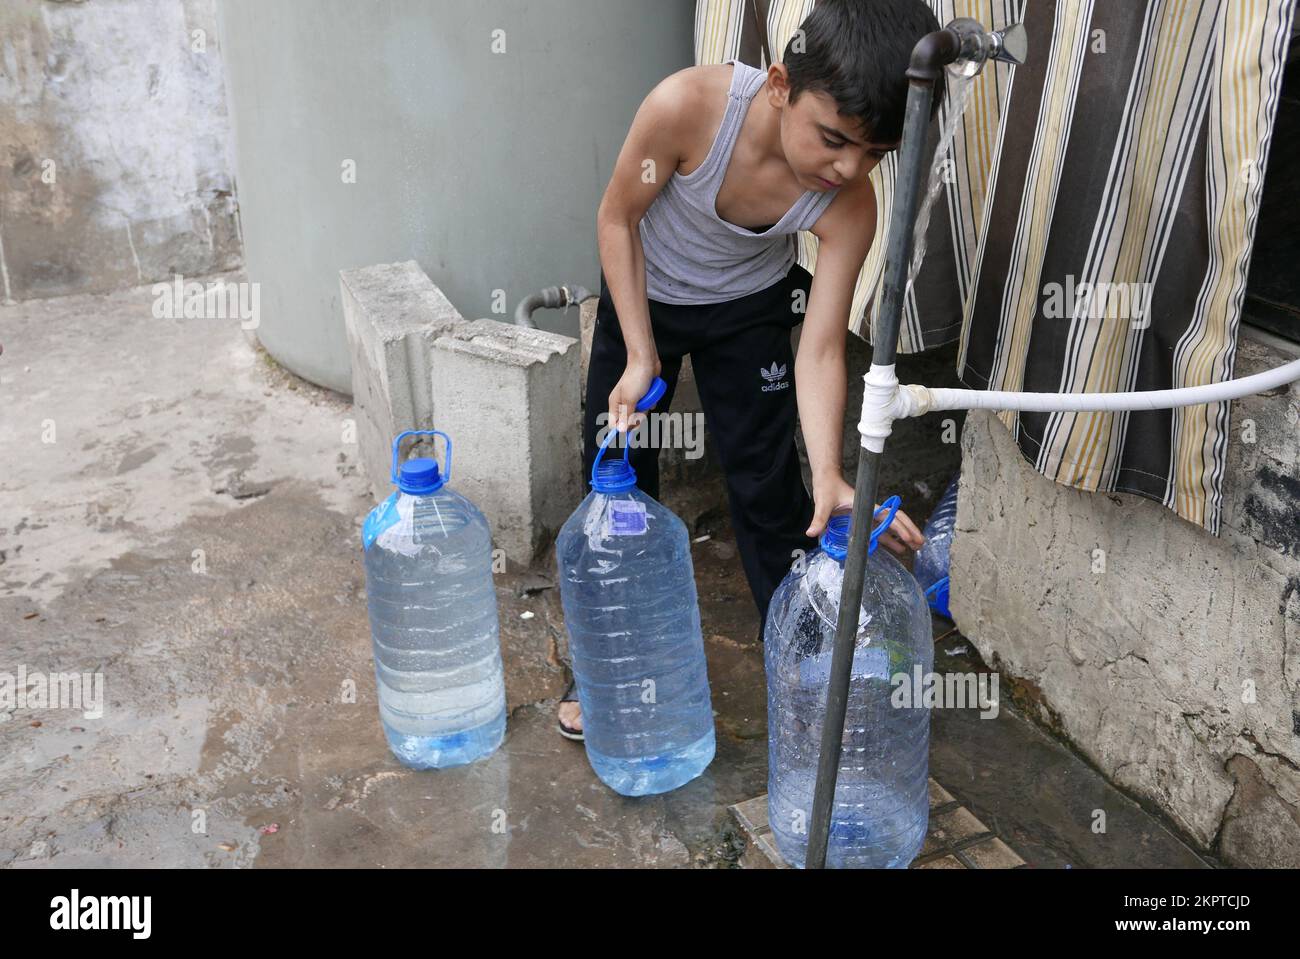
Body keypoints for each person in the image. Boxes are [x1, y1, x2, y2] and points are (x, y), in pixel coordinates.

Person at [559, 0, 941, 740]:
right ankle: (609, 669)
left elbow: (823, 347)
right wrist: (640, 352)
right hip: (647, 295)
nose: (848, 168)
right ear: (778, 86)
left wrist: (831, 472)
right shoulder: (686, 110)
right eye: (834, 139)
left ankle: (804, 663)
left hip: (748, 306)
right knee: (618, 479)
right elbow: (617, 218)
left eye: (874, 154)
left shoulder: (849, 204)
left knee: (774, 489)